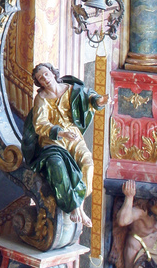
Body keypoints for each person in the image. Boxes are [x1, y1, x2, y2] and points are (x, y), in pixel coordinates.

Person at [21, 63, 109, 227]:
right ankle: (74, 207)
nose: (45, 79)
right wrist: (60, 133)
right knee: (58, 164)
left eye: (46, 74)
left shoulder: (71, 89)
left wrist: (100, 101)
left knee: (88, 164)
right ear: (38, 83)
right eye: (40, 78)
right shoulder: (41, 98)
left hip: (73, 136)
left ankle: (80, 206)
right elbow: (40, 125)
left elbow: (90, 98)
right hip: (52, 140)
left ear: (53, 73)